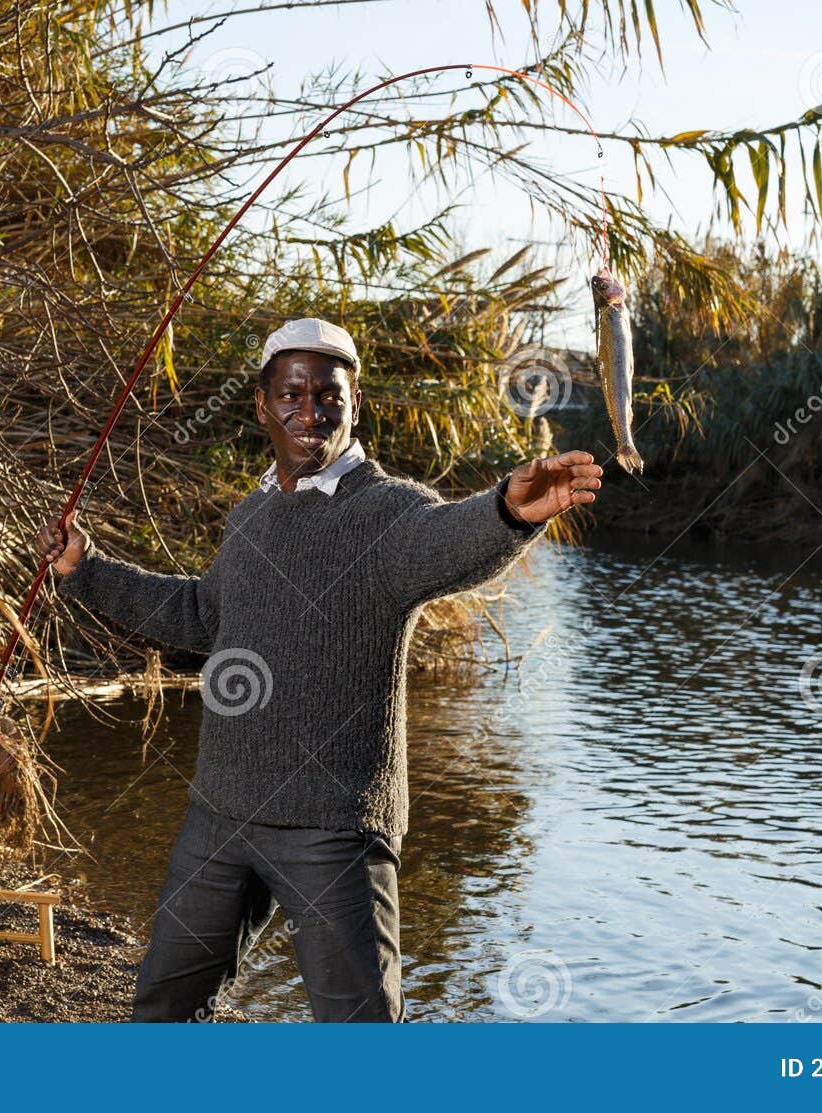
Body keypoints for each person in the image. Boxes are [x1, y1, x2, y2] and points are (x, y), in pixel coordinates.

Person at [36, 317, 604, 1021]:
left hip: (333, 829)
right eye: (293, 394)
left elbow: (449, 540)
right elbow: (198, 617)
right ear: (261, 405)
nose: (311, 412)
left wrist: (506, 513)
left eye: (329, 395)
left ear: (354, 405)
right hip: (220, 813)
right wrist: (84, 571)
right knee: (161, 1010)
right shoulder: (250, 517)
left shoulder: (388, 512)